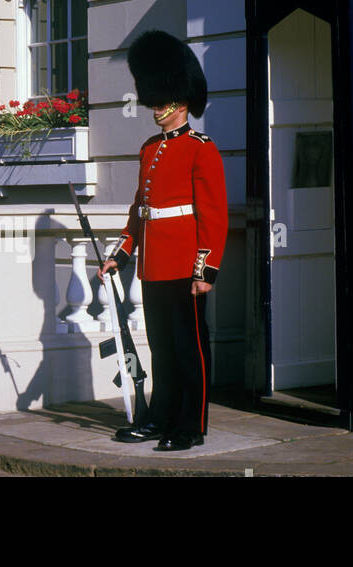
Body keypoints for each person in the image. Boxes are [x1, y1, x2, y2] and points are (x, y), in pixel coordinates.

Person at [98, 30, 228, 451]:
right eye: (153, 98)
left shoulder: (201, 149)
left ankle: (190, 426)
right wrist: (122, 251)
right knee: (161, 350)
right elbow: (141, 208)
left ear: (182, 99)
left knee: (189, 351)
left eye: (162, 99)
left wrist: (204, 269)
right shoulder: (149, 149)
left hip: (184, 266)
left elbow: (213, 215)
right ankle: (160, 418)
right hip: (153, 266)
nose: (156, 107)